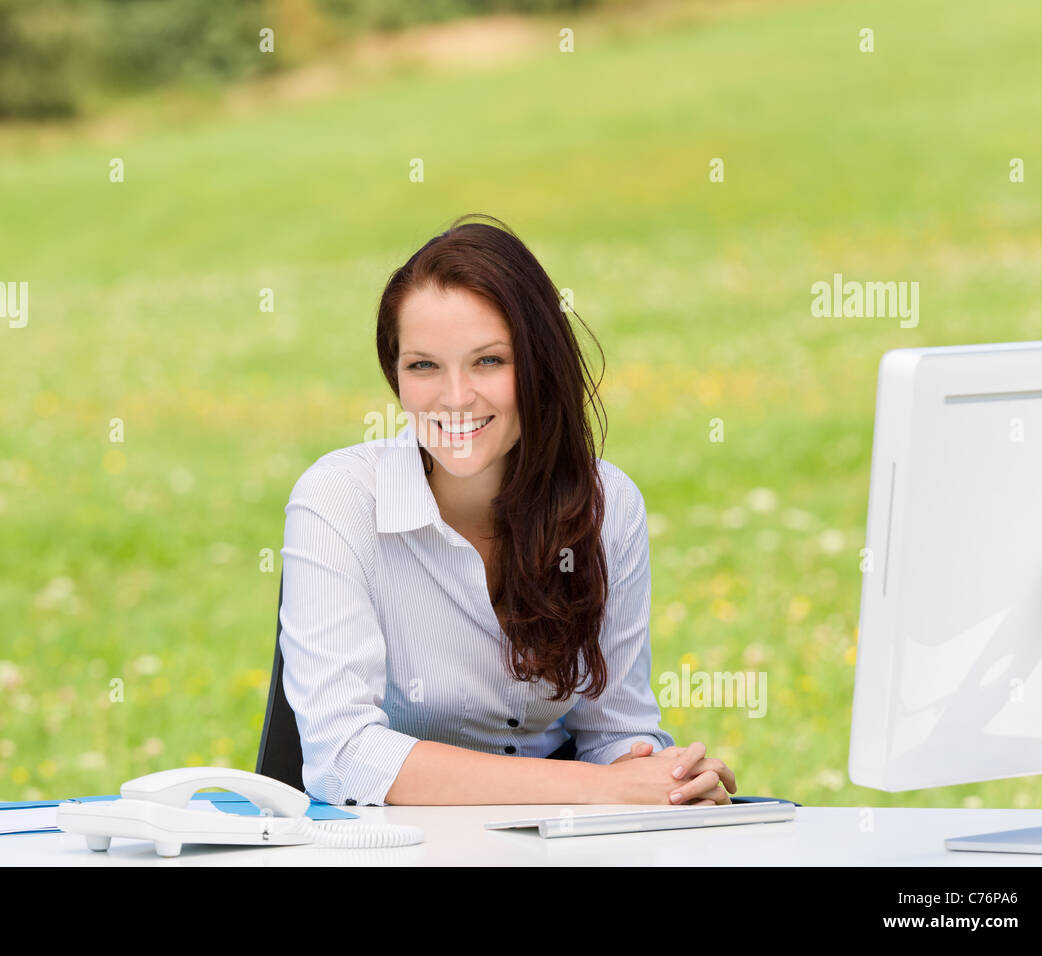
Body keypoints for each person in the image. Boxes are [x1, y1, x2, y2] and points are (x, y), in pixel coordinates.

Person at [278, 213, 736, 807]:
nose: (455, 397)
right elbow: (344, 757)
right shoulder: (337, 500)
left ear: (539, 365)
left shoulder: (607, 505)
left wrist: (671, 782)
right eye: (424, 365)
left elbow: (613, 732)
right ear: (396, 374)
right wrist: (597, 788)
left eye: (489, 361)